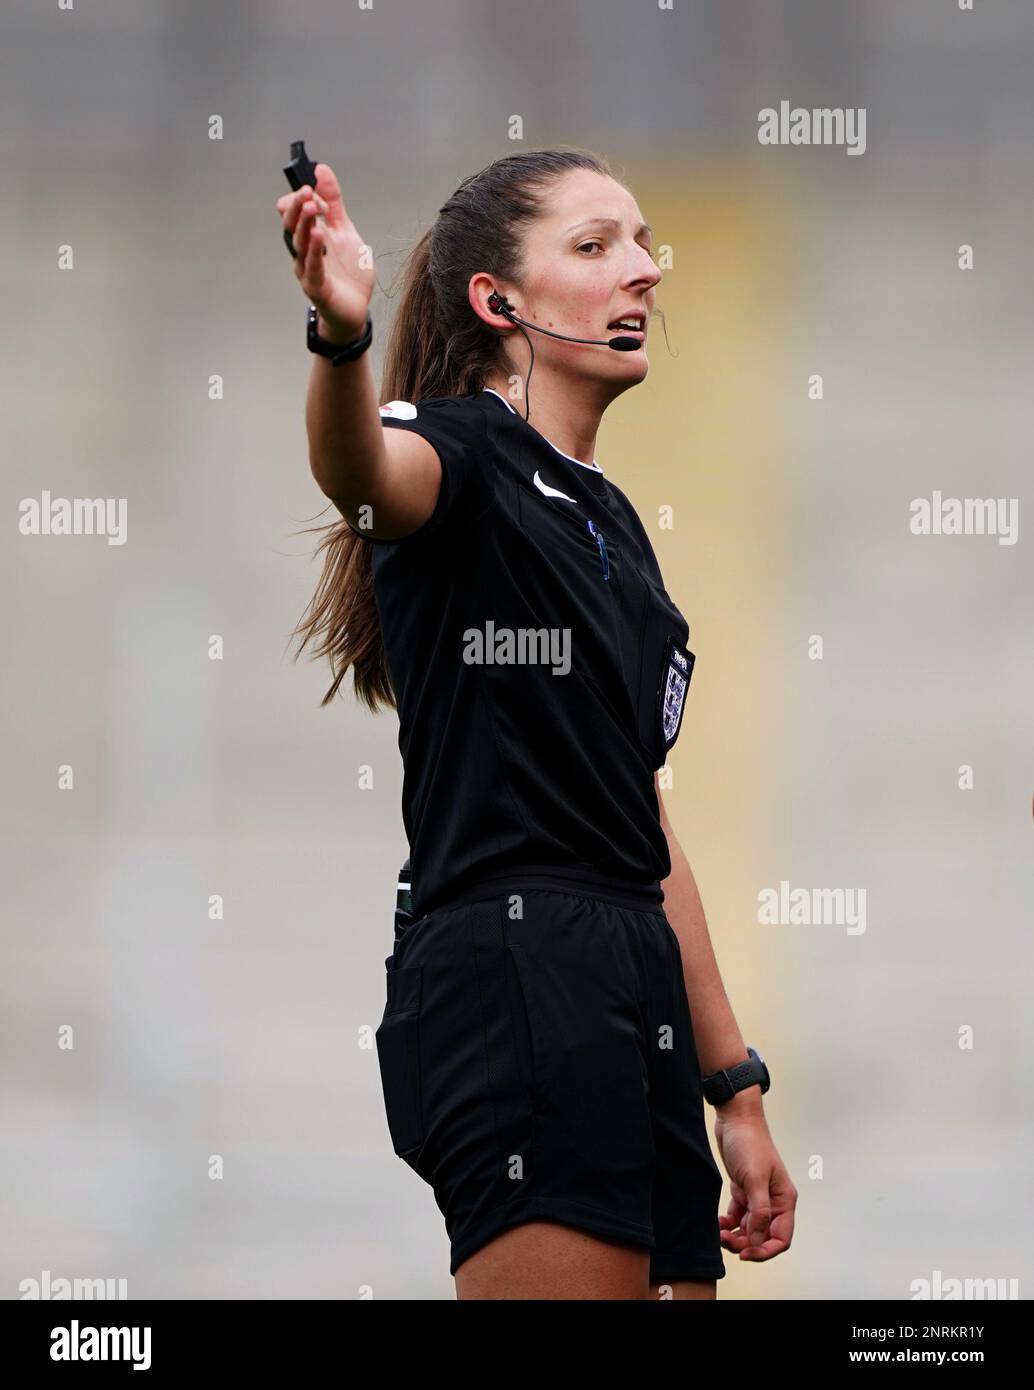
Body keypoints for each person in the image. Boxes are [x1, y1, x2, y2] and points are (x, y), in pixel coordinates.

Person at [277, 147, 797, 1300]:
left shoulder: (614, 527)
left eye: (642, 242)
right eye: (594, 245)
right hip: (519, 971)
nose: (644, 270)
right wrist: (340, 334)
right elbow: (358, 475)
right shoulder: (458, 448)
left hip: (631, 981)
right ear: (497, 301)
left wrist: (734, 1088)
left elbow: (640, 826)